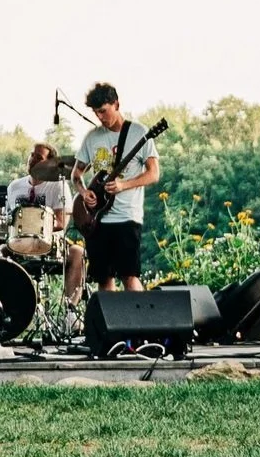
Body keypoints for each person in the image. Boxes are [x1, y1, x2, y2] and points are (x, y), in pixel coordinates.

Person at [73, 84, 160, 293]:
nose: (100, 117)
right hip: (98, 220)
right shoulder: (92, 137)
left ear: (116, 104)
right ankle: (108, 325)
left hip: (127, 217)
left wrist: (124, 185)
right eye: (95, 112)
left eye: (103, 111)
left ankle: (139, 323)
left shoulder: (139, 132)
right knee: (104, 279)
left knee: (129, 276)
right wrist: (85, 194)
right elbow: (76, 175)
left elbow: (153, 174)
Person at [9, 142, 88, 305]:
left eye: (39, 157)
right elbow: (9, 221)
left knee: (77, 253)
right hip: (19, 243)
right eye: (32, 155)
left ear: (49, 163)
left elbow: (61, 222)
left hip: (51, 243)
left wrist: (35, 226)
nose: (32, 159)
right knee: (0, 254)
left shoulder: (58, 185)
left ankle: (70, 310)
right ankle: (9, 310)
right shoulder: (14, 187)